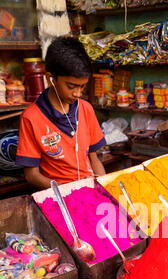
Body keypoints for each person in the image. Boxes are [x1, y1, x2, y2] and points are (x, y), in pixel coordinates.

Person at [16, 36, 106, 189]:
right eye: (71, 86)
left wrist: (103, 187)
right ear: (51, 78)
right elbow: (31, 175)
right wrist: (67, 189)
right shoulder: (31, 118)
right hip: (58, 195)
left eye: (82, 86)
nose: (78, 93)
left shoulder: (85, 109)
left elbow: (94, 158)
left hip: (89, 189)